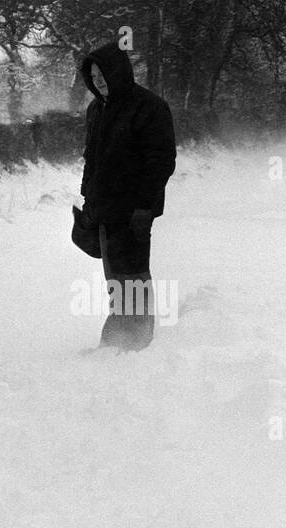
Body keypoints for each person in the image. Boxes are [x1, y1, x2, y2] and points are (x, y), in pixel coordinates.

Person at [79, 41, 176, 351]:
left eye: (103, 74)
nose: (99, 81)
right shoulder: (96, 109)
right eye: (93, 76)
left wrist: (144, 208)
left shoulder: (149, 107)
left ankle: (135, 342)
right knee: (115, 278)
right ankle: (119, 339)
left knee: (132, 275)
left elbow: (161, 162)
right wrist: (87, 200)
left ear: (119, 72)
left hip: (133, 211)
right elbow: (91, 159)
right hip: (104, 209)